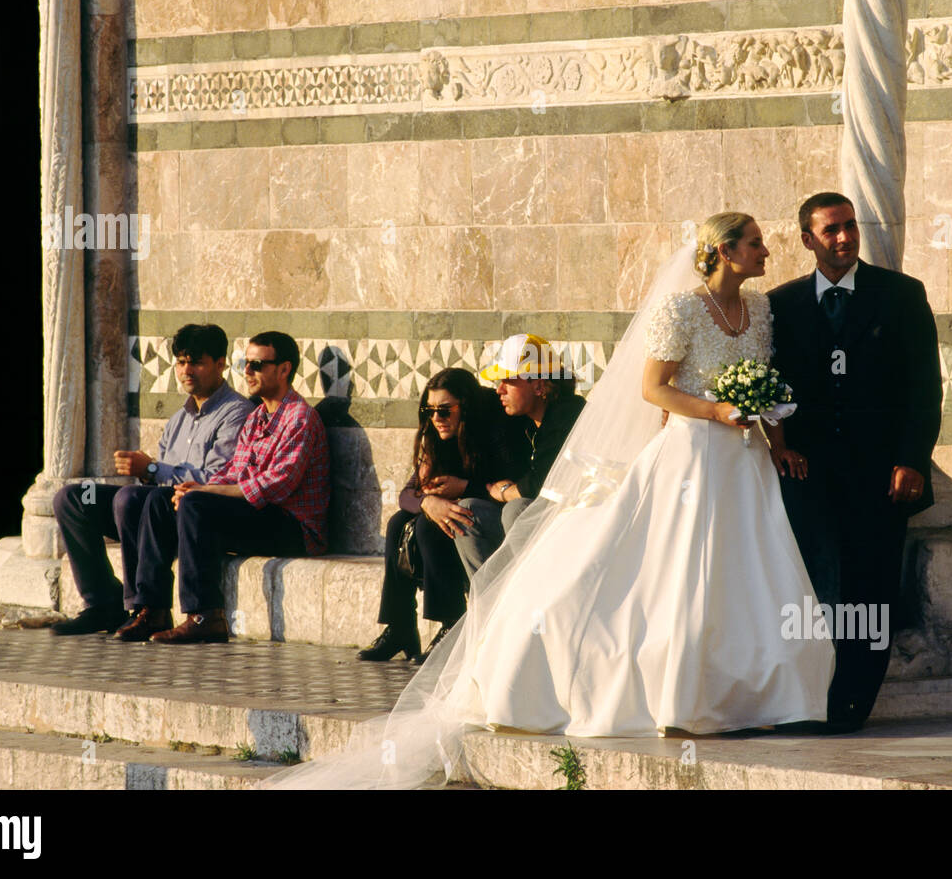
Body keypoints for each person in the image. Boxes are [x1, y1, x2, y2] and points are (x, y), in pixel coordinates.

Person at [264, 213, 835, 789]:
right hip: (690, 453)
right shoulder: (680, 309)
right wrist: (715, 411)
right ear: (724, 251)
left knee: (750, 569)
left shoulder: (759, 309)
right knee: (681, 569)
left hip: (745, 461)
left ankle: (763, 689)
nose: (767, 250)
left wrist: (777, 443)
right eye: (755, 242)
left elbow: (766, 385)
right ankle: (677, 689)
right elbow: (653, 388)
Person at [768, 192, 942, 732]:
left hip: (882, 477)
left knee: (871, 590)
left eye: (849, 227)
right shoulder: (781, 304)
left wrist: (912, 459)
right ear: (806, 240)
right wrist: (781, 448)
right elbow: (772, 391)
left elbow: (925, 389)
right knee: (819, 588)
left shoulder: (901, 295)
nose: (843, 238)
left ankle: (852, 704)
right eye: (830, 231)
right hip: (809, 478)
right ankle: (813, 696)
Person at [49, 324, 251, 636]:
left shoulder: (235, 413)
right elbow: (154, 483)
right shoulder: (179, 419)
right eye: (181, 362)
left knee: (130, 497)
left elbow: (215, 480)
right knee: (74, 498)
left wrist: (154, 470)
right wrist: (145, 471)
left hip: (188, 513)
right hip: (152, 512)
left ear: (220, 364)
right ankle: (102, 603)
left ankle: (147, 608)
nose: (186, 371)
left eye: (196, 362)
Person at [140, 331, 330, 643]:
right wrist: (196, 487)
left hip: (292, 528)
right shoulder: (256, 417)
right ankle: (153, 609)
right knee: (162, 499)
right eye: (245, 363)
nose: (247, 371)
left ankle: (205, 616)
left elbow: (275, 487)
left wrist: (206, 493)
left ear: (284, 369)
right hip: (259, 516)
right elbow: (234, 472)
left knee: (196, 504)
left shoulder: (300, 418)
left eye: (257, 364)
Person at [358, 369, 521, 665]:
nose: (437, 419)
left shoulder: (495, 429)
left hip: (488, 520)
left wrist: (463, 489)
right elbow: (407, 494)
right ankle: (400, 627)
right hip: (455, 517)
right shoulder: (434, 437)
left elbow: (507, 485)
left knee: (429, 527)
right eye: (430, 411)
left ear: (466, 407)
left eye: (445, 411)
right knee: (398, 523)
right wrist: (429, 502)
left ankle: (452, 624)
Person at [451, 333, 585, 573]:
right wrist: (428, 500)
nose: (499, 389)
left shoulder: (568, 413)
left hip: (573, 525)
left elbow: (540, 485)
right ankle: (490, 605)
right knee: (467, 512)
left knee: (517, 508)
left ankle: (525, 600)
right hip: (536, 525)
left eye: (508, 380)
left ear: (539, 385)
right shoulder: (520, 420)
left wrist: (505, 492)